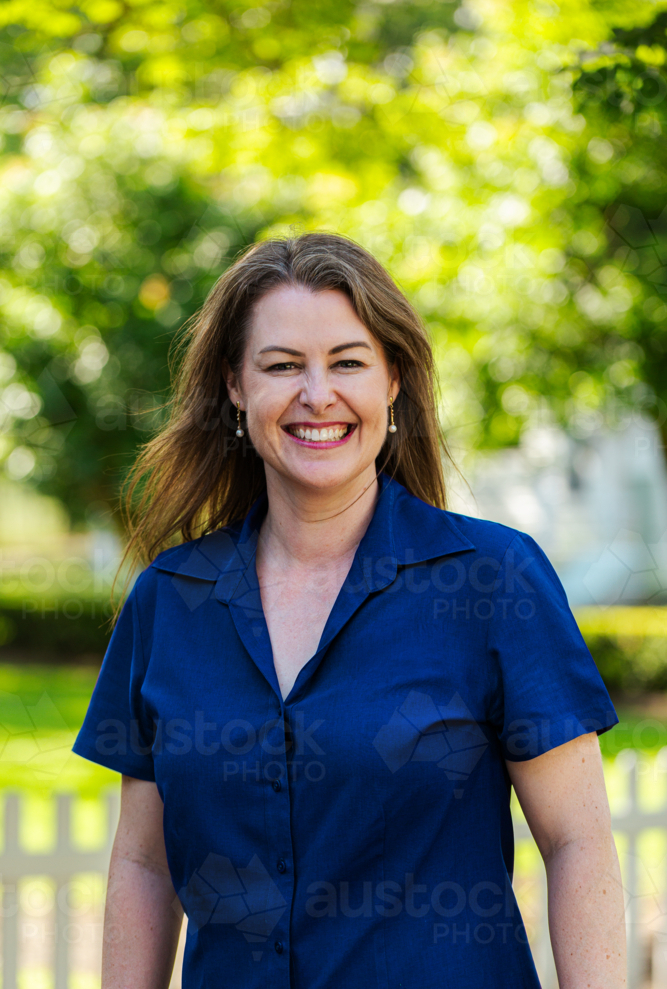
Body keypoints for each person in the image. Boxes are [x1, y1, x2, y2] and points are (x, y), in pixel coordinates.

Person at [72, 232, 625, 989]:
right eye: (280, 366)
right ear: (235, 387)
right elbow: (142, 862)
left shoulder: (493, 580)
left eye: (347, 362)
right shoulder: (168, 601)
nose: (316, 395)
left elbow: (577, 841)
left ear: (392, 380)